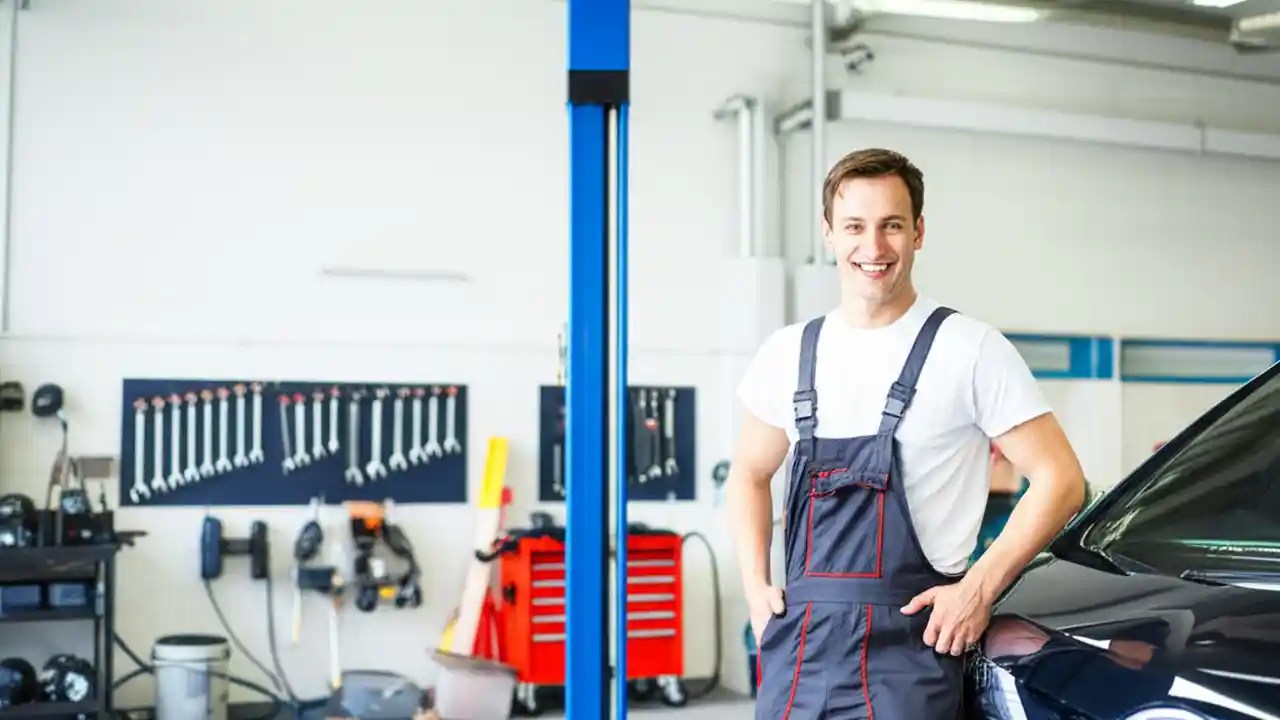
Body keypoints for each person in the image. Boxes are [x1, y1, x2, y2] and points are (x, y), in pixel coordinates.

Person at [725, 148, 1086, 719]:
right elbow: (749, 472)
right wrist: (753, 582)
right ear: (828, 234)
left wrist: (979, 588)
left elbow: (1062, 480)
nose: (873, 248)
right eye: (855, 227)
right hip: (799, 648)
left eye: (891, 225)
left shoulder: (970, 349)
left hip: (912, 650)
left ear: (918, 232)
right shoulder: (789, 352)